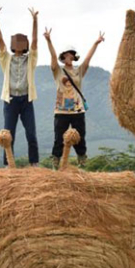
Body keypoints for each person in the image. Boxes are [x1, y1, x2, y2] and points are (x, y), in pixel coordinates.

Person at [43, 27, 105, 169]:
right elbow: (53, 57)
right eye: (67, 55)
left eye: (71, 54)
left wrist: (96, 43)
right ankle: (56, 161)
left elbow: (88, 59)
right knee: (59, 138)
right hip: (61, 110)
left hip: (77, 109)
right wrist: (49, 41)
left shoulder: (78, 71)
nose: (69, 57)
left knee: (80, 137)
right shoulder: (58, 71)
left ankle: (82, 159)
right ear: (63, 57)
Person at [0, 6, 40, 166]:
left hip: (26, 100)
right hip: (10, 100)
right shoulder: (6, 59)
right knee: (8, 134)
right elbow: (0, 41)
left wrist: (35, 20)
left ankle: (34, 163)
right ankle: (8, 164)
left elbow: (35, 42)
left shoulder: (30, 59)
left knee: (31, 133)